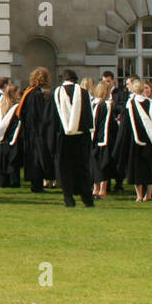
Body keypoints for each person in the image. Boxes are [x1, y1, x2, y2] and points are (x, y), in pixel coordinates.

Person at [45, 69, 93, 208]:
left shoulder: (56, 93)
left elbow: (51, 119)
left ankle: (69, 198)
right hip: (81, 136)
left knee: (65, 168)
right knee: (83, 167)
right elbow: (88, 117)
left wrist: (51, 140)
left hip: (62, 136)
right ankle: (87, 198)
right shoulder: (83, 93)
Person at [124, 78, 152, 202]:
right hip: (150, 140)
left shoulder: (130, 104)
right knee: (149, 168)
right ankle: (148, 194)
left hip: (136, 140)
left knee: (137, 168)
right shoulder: (151, 103)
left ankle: (139, 195)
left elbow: (127, 124)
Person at [18, 66, 51, 192]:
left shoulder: (29, 92)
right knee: (37, 158)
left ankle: (35, 183)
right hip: (36, 131)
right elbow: (40, 115)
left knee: (33, 157)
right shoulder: (37, 94)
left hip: (29, 130)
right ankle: (37, 185)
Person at [0, 82, 22, 188]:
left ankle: (2, 180)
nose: (19, 94)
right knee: (12, 161)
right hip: (11, 138)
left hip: (1, 138)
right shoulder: (16, 108)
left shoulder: (2, 105)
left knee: (3, 160)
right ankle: (13, 181)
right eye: (18, 92)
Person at [89, 80, 115, 199]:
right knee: (102, 165)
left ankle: (96, 188)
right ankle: (101, 190)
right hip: (104, 138)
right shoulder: (106, 105)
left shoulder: (94, 104)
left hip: (94, 138)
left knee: (96, 164)